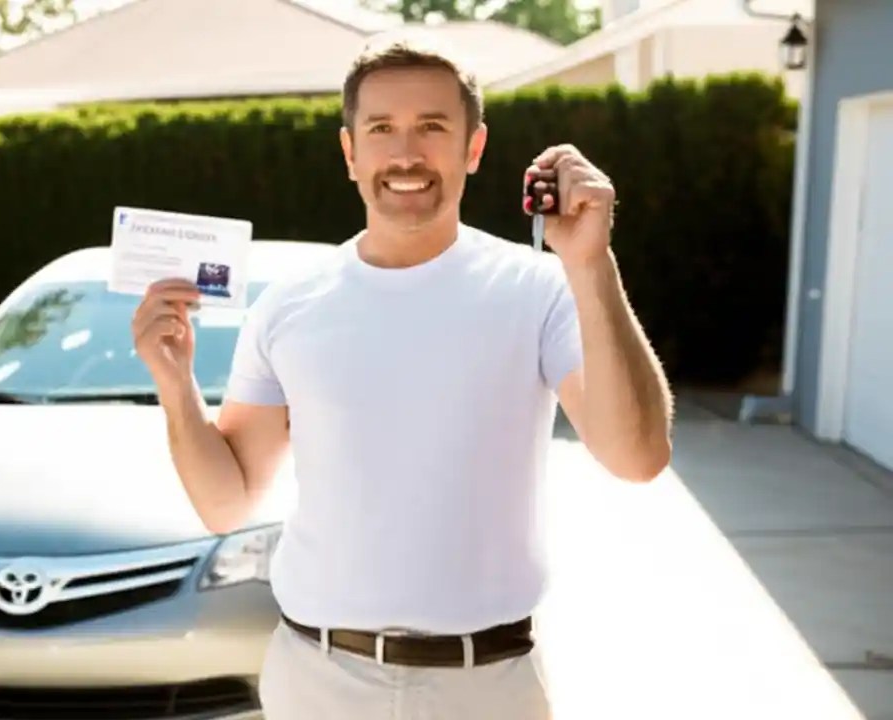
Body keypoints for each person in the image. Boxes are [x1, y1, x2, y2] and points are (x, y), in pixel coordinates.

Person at [130, 31, 674, 720]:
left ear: (473, 148)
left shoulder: (541, 289)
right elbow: (227, 502)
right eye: (382, 128)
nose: (407, 153)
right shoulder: (289, 306)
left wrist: (592, 264)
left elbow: (638, 457)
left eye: (433, 127)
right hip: (319, 682)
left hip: (489, 687)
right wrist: (176, 389)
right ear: (350, 152)